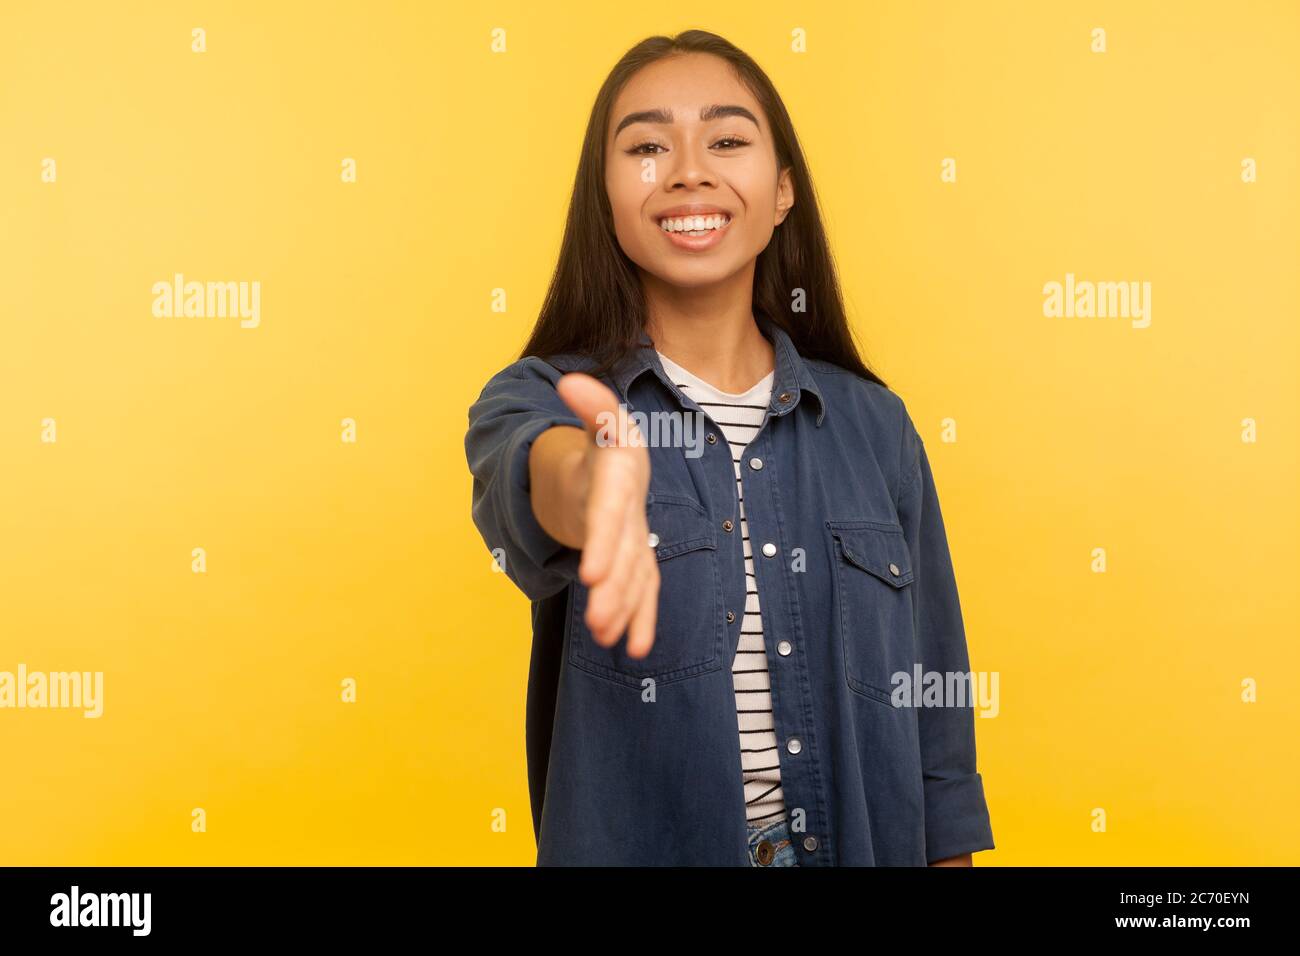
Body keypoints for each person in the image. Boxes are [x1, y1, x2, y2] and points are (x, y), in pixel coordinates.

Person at [464, 29, 994, 866]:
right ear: (603, 194)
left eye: (727, 140)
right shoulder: (542, 398)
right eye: (645, 146)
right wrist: (594, 485)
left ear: (781, 190)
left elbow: (937, 724)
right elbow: (535, 481)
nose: (687, 170)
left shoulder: (876, 426)